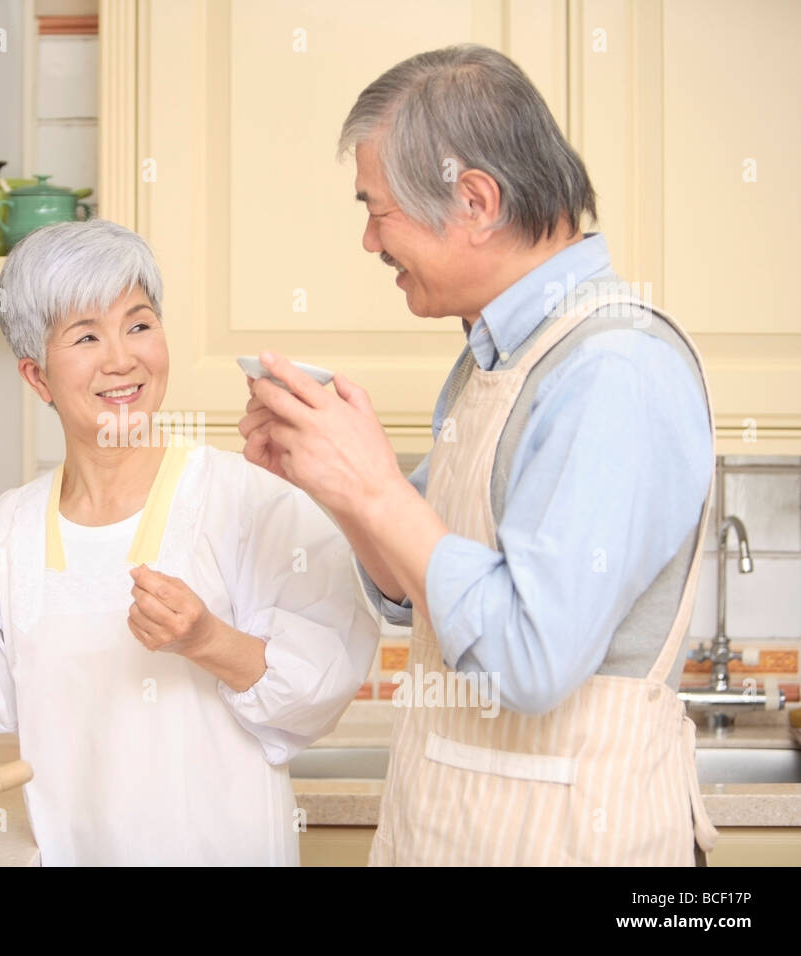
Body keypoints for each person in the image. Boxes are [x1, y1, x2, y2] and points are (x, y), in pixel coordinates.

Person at [0, 218, 378, 866]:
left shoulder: (249, 500)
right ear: (37, 378)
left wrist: (206, 640)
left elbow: (319, 685)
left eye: (139, 324)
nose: (122, 359)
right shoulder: (10, 536)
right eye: (86, 336)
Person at [239, 44, 717, 865]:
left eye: (377, 210)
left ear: (475, 199)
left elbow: (530, 658)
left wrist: (379, 490)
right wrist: (340, 487)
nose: (367, 240)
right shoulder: (495, 355)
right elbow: (408, 588)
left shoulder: (615, 369)